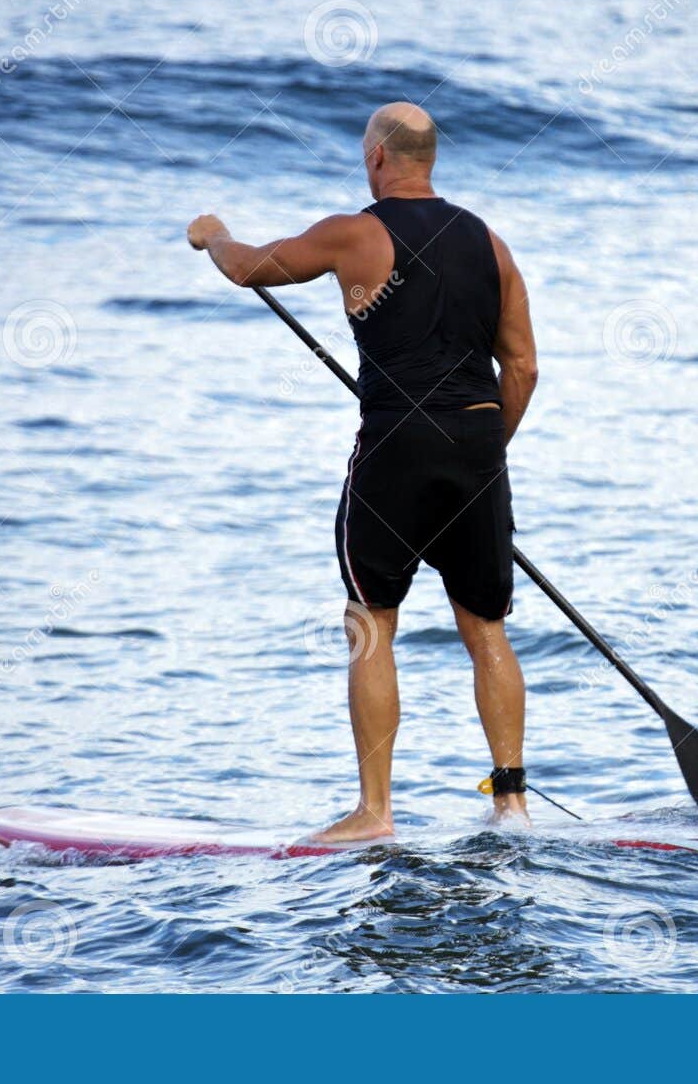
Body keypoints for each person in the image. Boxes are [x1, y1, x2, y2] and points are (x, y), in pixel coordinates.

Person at [187, 102, 538, 842]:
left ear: (379, 157)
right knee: (487, 630)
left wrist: (213, 234)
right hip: (479, 445)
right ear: (429, 159)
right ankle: (512, 805)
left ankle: (375, 812)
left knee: (371, 624)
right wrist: (484, 452)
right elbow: (526, 367)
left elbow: (250, 268)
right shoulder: (492, 244)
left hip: (397, 446)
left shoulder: (357, 232)